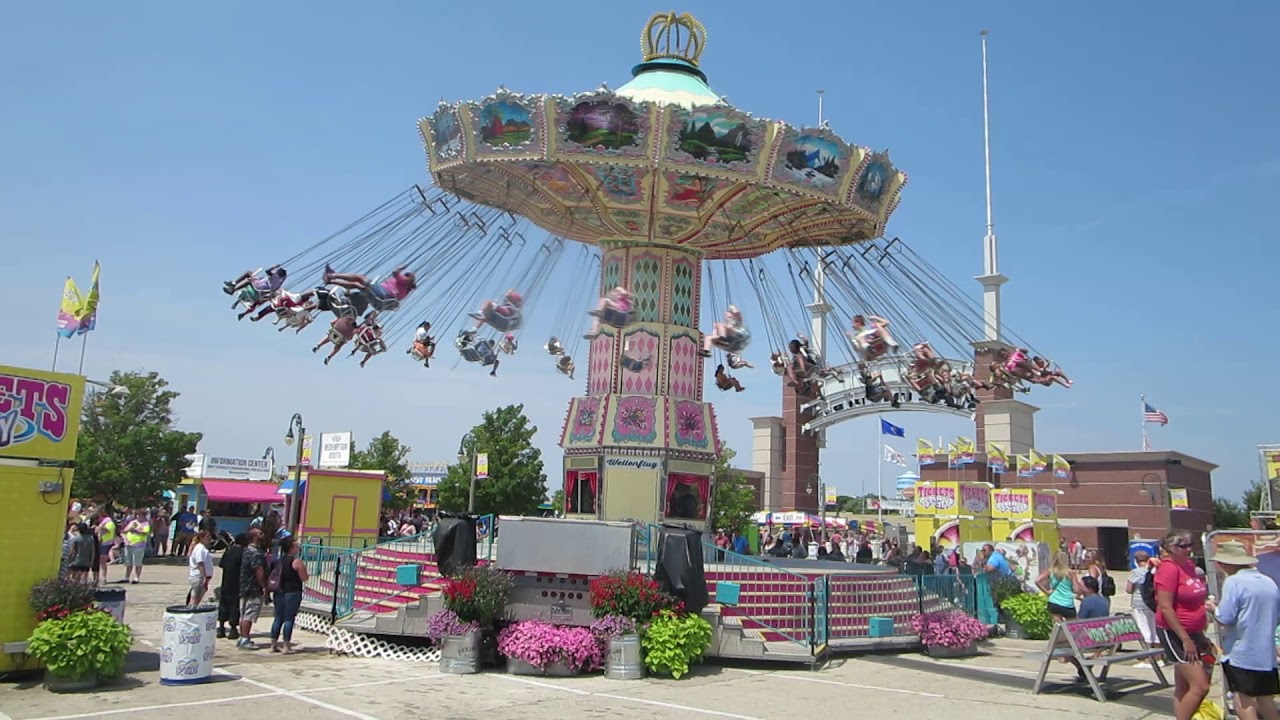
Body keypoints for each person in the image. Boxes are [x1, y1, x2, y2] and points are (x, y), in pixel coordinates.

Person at [1208, 541, 1280, 720]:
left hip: (1241, 653)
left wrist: (1212, 608)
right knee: (1266, 701)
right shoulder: (1268, 581)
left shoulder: (1234, 581)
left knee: (1243, 702)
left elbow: (1225, 617)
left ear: (1227, 563)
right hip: (1266, 655)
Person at [1154, 530, 1212, 720]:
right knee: (1200, 685)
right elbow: (1165, 606)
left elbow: (1196, 600)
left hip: (1194, 631)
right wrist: (1185, 639)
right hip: (1175, 632)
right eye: (1182, 546)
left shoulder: (1188, 565)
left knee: (1184, 687)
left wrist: (1200, 635)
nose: (1188, 549)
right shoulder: (1168, 568)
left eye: (1190, 545)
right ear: (1170, 548)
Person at [269, 537, 309, 654]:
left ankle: (273, 644)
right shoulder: (296, 562)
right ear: (291, 548)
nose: (298, 548)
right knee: (288, 619)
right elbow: (304, 578)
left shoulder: (277, 561)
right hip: (292, 592)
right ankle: (286, 645)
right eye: (296, 546)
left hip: (279, 592)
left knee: (278, 618)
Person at [323, 263, 417, 311]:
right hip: (381, 298)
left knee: (360, 277)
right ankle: (331, 281)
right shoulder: (405, 291)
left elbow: (395, 273)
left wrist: (401, 268)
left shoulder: (406, 281)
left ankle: (332, 275)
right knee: (357, 285)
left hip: (382, 292)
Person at [238, 529, 269, 650]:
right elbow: (258, 570)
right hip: (253, 588)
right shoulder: (255, 553)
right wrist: (264, 586)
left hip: (244, 587)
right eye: (260, 534)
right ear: (254, 537)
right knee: (249, 615)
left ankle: (242, 637)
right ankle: (245, 639)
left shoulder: (246, 551)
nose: (263, 535)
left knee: (244, 613)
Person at [1127, 550, 1159, 652]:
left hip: (1139, 603)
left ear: (1136, 560)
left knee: (1143, 627)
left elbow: (1128, 589)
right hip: (1152, 602)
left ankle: (1149, 655)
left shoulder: (1136, 572)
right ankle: (1159, 654)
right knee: (1153, 627)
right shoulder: (1154, 571)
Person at [217, 533, 247, 640]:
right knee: (234, 606)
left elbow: (221, 565)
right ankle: (233, 629)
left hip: (226, 582)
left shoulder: (228, 551)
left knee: (223, 604)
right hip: (236, 583)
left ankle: (221, 628)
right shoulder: (242, 553)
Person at [1037, 551, 1081, 621]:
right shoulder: (1071, 573)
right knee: (1072, 628)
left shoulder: (1050, 571)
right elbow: (1076, 590)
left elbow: (1037, 581)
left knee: (1059, 627)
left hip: (1054, 602)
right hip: (1068, 603)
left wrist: (1047, 592)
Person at [121, 509, 150, 585]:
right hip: (129, 544)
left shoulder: (145, 523)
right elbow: (124, 530)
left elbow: (145, 532)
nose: (138, 517)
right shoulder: (132, 522)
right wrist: (129, 529)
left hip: (138, 545)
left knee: (137, 562)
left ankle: (137, 577)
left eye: (140, 515)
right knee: (128, 562)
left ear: (143, 516)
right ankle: (126, 577)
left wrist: (136, 530)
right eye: (137, 515)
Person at [187, 531, 214, 607]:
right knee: (195, 599)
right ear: (202, 538)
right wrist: (204, 577)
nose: (209, 539)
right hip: (199, 576)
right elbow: (200, 564)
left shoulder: (202, 548)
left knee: (197, 598)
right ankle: (190, 613)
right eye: (207, 537)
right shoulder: (200, 549)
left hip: (202, 577)